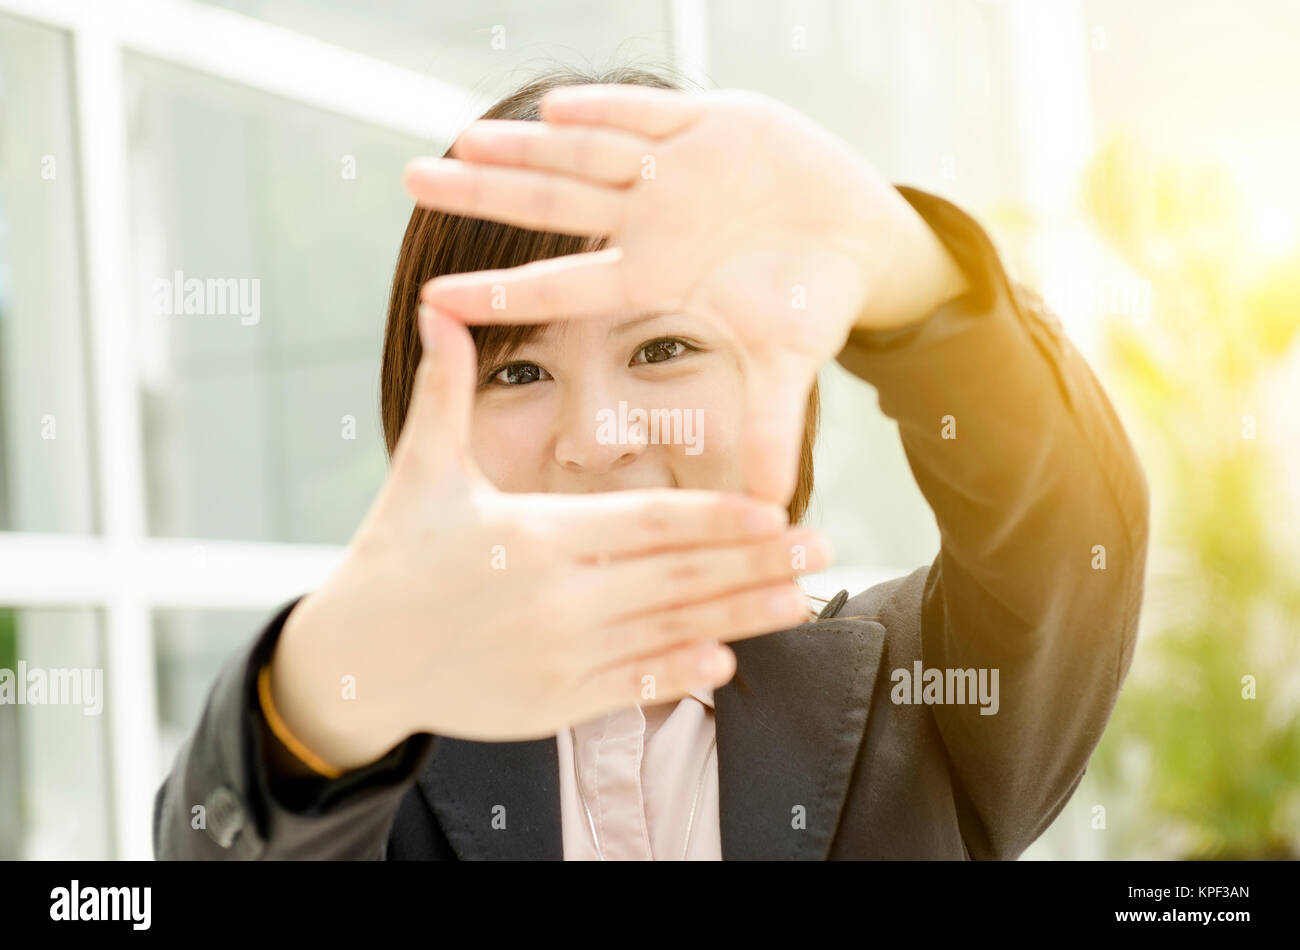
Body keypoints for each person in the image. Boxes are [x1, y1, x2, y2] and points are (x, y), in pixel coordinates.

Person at [153, 64, 1149, 860]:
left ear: (780, 382)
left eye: (663, 350)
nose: (597, 435)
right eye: (520, 369)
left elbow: (1062, 529)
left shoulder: (920, 698)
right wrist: (338, 678)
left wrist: (898, 266)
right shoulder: (376, 753)